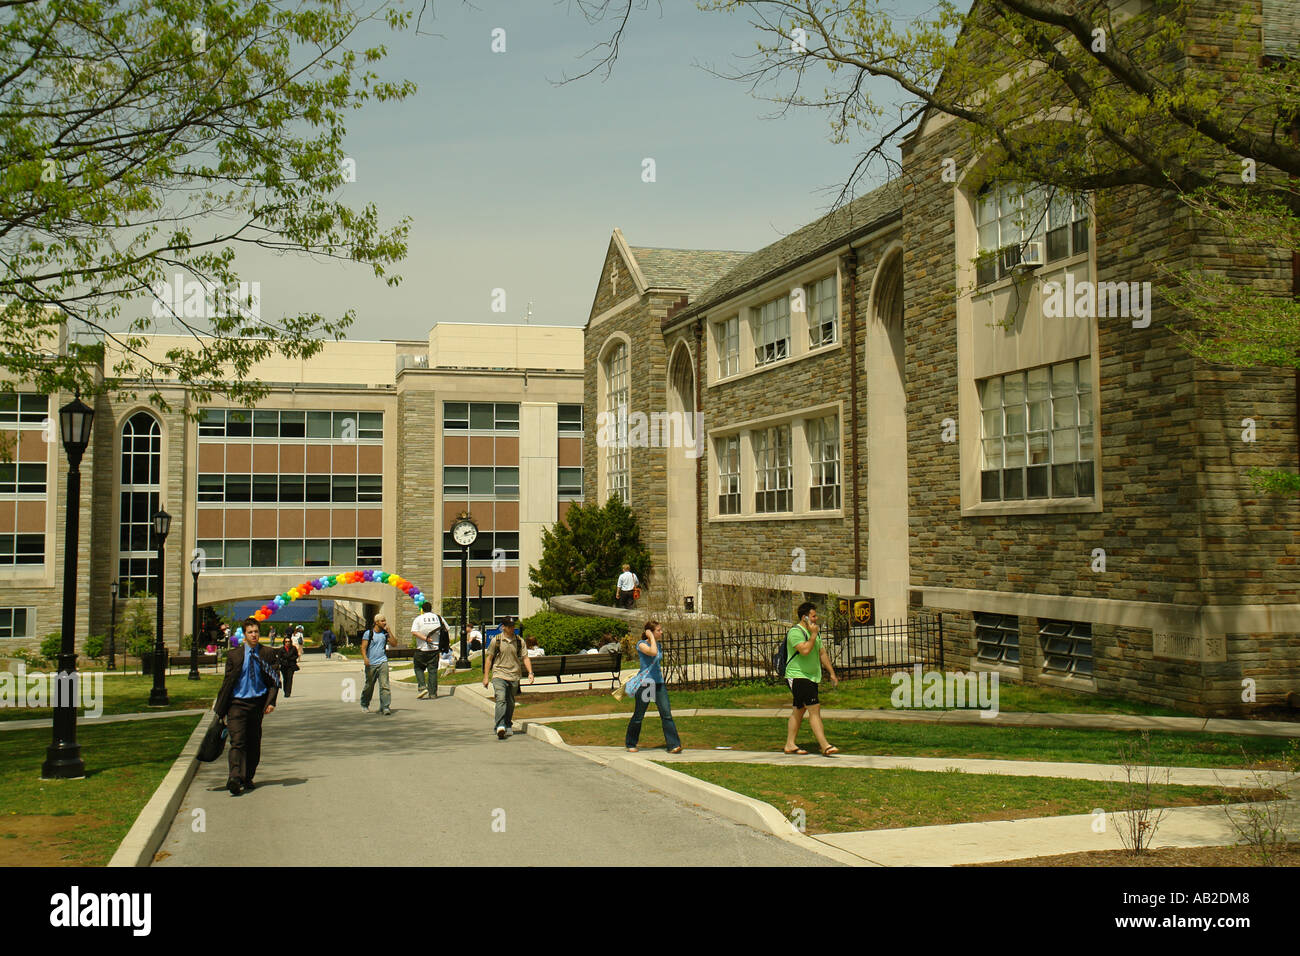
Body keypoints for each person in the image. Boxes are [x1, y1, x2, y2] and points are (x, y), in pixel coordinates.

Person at [213, 617, 279, 796]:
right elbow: (228, 682)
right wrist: (221, 708)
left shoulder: (267, 653)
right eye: (250, 632)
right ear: (245, 635)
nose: (254, 635)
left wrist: (271, 701)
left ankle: (247, 776)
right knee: (237, 741)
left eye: (256, 631)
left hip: (257, 704)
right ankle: (234, 777)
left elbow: (275, 681)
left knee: (253, 742)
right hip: (237, 704)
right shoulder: (234, 655)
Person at [782, 601, 840, 756]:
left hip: (812, 677)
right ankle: (825, 746)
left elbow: (822, 653)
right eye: (813, 616)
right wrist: (813, 635)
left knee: (799, 710)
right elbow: (805, 650)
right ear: (804, 617)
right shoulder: (795, 632)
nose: (816, 619)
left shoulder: (815, 633)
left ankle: (790, 744)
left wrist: (831, 673)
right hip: (798, 676)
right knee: (814, 709)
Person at [625, 621, 682, 754]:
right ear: (650, 632)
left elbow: (656, 652)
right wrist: (650, 637)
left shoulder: (658, 645)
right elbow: (653, 652)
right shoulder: (642, 644)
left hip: (658, 684)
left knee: (666, 714)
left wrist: (653, 639)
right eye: (658, 630)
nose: (661, 632)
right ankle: (631, 742)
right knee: (639, 715)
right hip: (646, 684)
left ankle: (674, 745)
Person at [482, 617, 533, 739]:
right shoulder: (497, 640)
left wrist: (530, 672)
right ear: (503, 627)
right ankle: (500, 725)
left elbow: (525, 658)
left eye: (513, 626)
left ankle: (507, 723)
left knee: (510, 702)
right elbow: (489, 659)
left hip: (514, 675)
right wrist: (486, 677)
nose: (512, 628)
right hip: (499, 674)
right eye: (509, 626)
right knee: (501, 698)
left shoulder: (519, 641)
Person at [411, 601, 448, 700]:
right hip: (435, 649)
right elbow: (446, 629)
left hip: (422, 648)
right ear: (431, 608)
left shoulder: (418, 619)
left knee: (418, 668)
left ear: (422, 609)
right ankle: (433, 693)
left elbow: (414, 632)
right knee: (433, 671)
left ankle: (422, 686)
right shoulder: (439, 618)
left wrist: (425, 638)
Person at [360, 615, 394, 715]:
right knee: (369, 686)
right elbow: (363, 647)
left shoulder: (385, 634)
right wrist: (365, 658)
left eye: (385, 620)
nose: (384, 623)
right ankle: (365, 703)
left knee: (385, 685)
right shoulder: (368, 633)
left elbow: (394, 643)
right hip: (371, 663)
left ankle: (385, 706)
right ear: (376, 622)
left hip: (383, 662)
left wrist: (389, 632)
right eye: (382, 621)